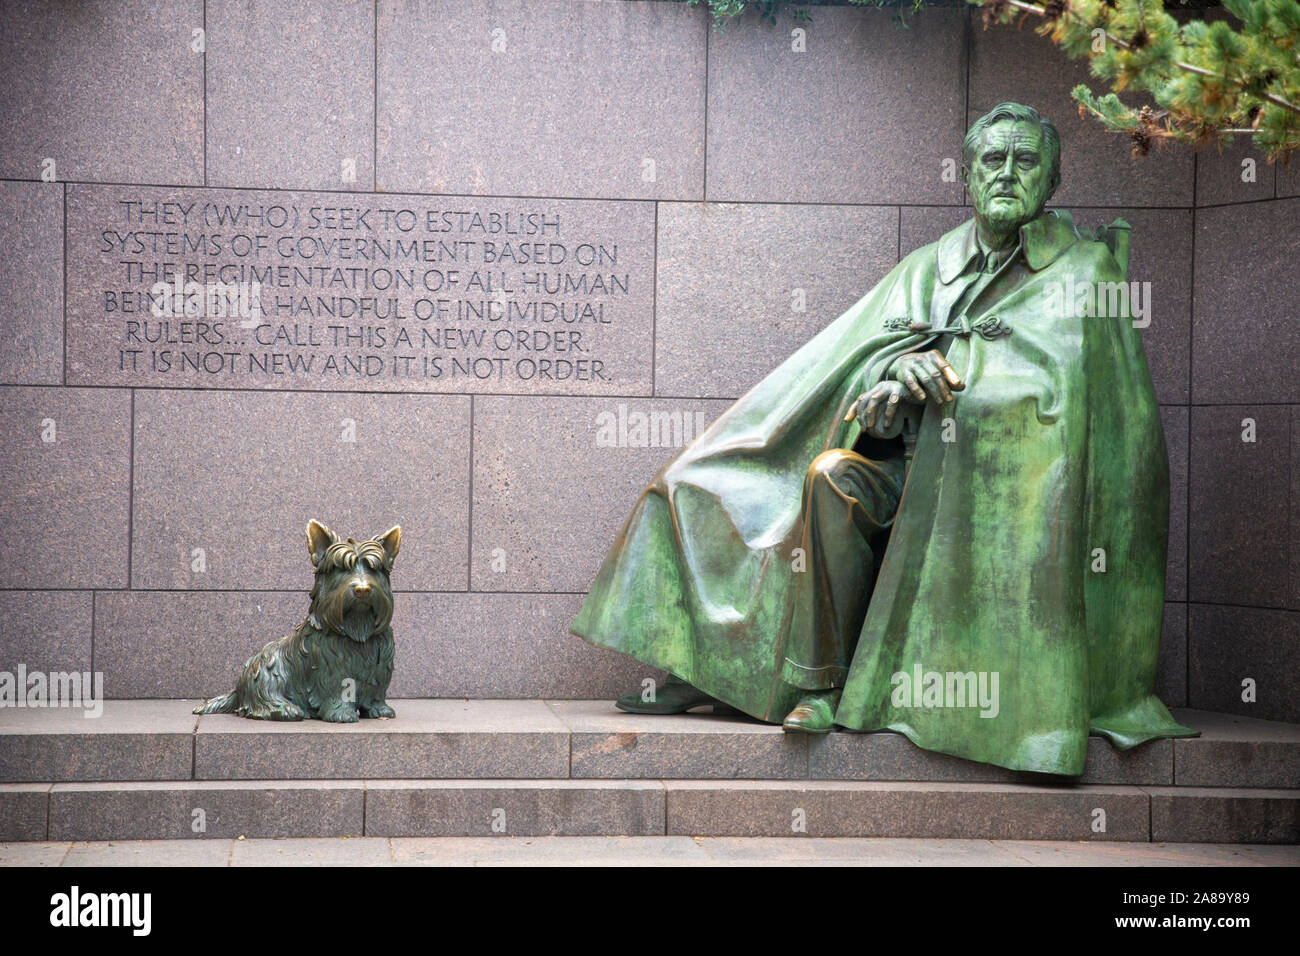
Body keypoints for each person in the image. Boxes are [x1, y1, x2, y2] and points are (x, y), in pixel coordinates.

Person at [570, 102, 1195, 775]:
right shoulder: (928, 266)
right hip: (901, 469)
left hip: (994, 499)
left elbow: (1089, 418)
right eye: (992, 159)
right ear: (967, 177)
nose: (1007, 174)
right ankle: (773, 676)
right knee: (792, 477)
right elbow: (850, 362)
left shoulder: (1083, 272)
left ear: (1053, 181)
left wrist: (957, 389)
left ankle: (832, 685)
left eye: (1026, 161)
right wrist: (891, 375)